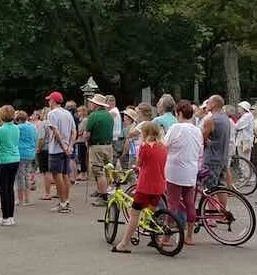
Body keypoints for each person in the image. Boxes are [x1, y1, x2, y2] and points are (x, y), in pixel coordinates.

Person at [112, 122, 166, 253]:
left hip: (145, 185)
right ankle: (156, 239)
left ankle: (124, 243)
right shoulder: (163, 147)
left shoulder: (144, 147)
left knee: (134, 214)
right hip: (159, 184)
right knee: (151, 212)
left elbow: (139, 162)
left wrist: (136, 167)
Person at [163, 100, 203, 246]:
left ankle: (167, 236)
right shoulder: (197, 130)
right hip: (191, 169)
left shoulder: (175, 128)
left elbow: (164, 145)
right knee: (189, 202)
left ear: (178, 113)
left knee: (172, 203)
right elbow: (200, 150)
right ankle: (189, 236)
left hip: (175, 169)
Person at [45, 91, 77, 214]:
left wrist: (63, 146)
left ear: (53, 101)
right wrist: (70, 146)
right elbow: (74, 131)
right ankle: (66, 200)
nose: (48, 102)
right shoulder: (68, 113)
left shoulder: (52, 114)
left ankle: (63, 203)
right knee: (65, 175)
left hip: (56, 149)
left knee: (57, 176)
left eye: (49, 100)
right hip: (67, 148)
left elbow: (55, 131)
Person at [85, 94, 114, 205]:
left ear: (96, 105)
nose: (90, 104)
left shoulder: (93, 115)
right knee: (107, 170)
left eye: (92, 103)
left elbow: (87, 134)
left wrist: (86, 139)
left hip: (97, 146)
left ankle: (103, 197)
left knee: (98, 171)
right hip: (109, 146)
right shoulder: (109, 115)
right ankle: (102, 191)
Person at [0, 105, 21, 226]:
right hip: (15, 159)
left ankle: (5, 216)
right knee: (10, 188)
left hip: (4, 160)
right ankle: (10, 216)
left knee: (3, 189)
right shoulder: (17, 128)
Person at [201, 95, 231, 189]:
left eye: (208, 102)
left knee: (209, 189)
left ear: (214, 104)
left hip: (212, 159)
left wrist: (207, 141)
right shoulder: (226, 118)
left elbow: (202, 138)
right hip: (223, 157)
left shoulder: (211, 120)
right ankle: (223, 205)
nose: (207, 105)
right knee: (221, 186)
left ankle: (212, 204)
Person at [15, 110, 38, 207]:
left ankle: (20, 200)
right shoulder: (33, 127)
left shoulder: (18, 128)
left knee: (20, 177)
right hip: (30, 154)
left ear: (19, 119)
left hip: (20, 153)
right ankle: (27, 199)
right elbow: (36, 139)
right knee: (27, 176)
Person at [106, 95, 123, 161]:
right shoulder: (112, 111)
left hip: (114, 138)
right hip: (114, 137)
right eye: (110, 100)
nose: (112, 102)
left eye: (113, 100)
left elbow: (106, 121)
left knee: (112, 159)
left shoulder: (114, 111)